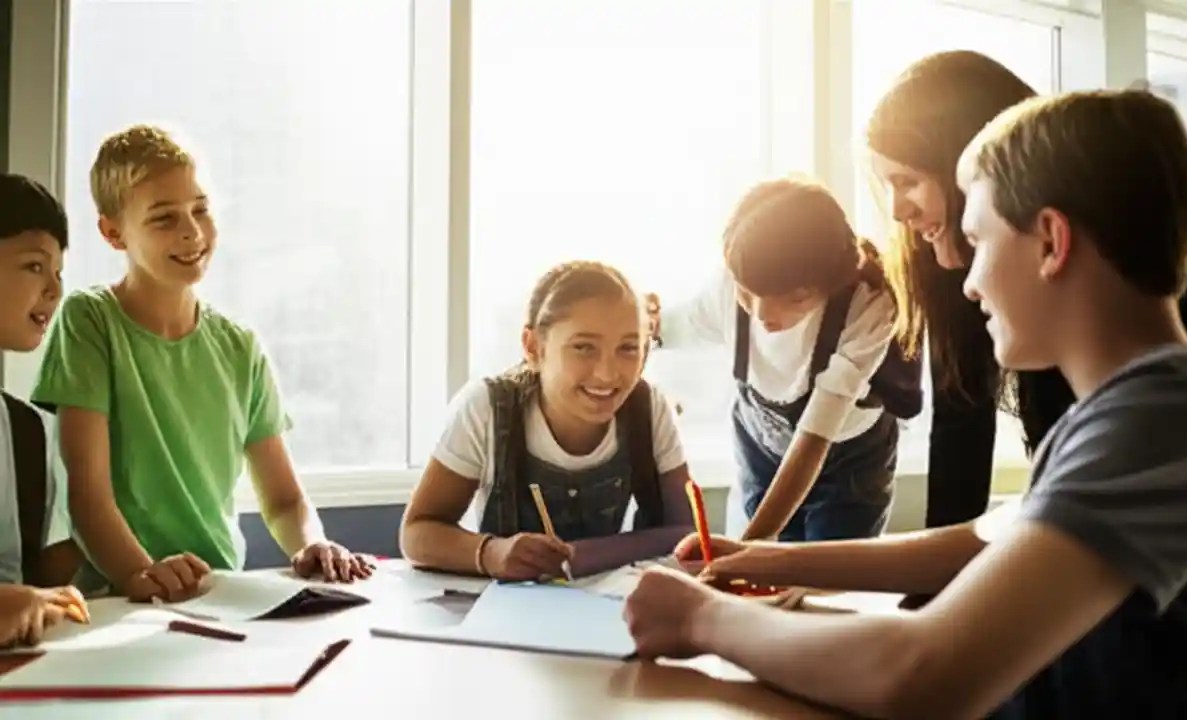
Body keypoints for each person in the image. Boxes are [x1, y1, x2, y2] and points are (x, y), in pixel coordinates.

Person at [625, 89, 1187, 718]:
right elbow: (979, 542)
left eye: (981, 240)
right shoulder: (1124, 416)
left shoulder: (1170, 418)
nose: (967, 284)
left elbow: (920, 676)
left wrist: (699, 618)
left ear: (1051, 242)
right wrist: (762, 559)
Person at [864, 50, 1187, 527]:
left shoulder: (1124, 248)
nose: (896, 210)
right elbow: (963, 439)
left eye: (908, 181)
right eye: (886, 185)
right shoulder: (957, 274)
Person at [32, 125, 373, 602]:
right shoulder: (90, 321)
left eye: (200, 209)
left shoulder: (240, 347)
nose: (192, 231)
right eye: (164, 218)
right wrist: (141, 574)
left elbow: (284, 500)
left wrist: (311, 541)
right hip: (120, 595)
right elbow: (88, 494)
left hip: (218, 593)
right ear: (113, 233)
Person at [652, 178, 920, 542]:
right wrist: (641, 322)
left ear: (832, 281)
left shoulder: (868, 306)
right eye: (750, 293)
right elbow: (678, 326)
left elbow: (814, 438)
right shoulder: (730, 287)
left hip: (849, 461)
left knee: (826, 573)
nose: (763, 314)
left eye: (792, 298)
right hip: (760, 450)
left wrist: (750, 545)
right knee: (764, 585)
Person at [400, 261, 693, 580]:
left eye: (628, 348)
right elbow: (417, 533)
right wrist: (490, 552)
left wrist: (581, 556)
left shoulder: (650, 408)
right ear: (533, 347)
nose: (608, 373)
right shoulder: (487, 407)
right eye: (583, 348)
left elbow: (686, 534)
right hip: (504, 614)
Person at [0, 173, 89, 646]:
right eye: (35, 267)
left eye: (59, 271)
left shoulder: (27, 430)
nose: (55, 290)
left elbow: (36, 569)